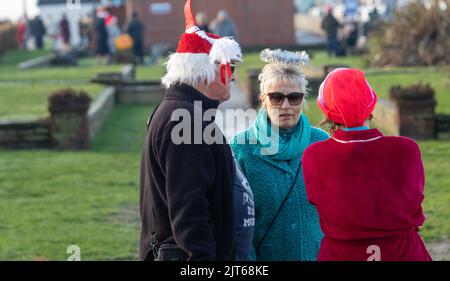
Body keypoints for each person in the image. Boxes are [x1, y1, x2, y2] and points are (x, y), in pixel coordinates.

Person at [140, 0, 245, 261]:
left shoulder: (184, 111)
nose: (233, 76)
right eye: (229, 68)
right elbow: (190, 211)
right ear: (207, 71)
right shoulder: (185, 119)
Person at [302, 68, 432, 261]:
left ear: (326, 111)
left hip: (341, 254)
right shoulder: (407, 150)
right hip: (402, 251)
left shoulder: (314, 156)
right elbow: (415, 200)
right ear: (370, 105)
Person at [230, 49, 329, 261]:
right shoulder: (242, 148)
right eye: (276, 97)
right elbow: (236, 222)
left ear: (303, 99)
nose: (286, 106)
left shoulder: (321, 143)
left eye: (294, 97)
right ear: (263, 99)